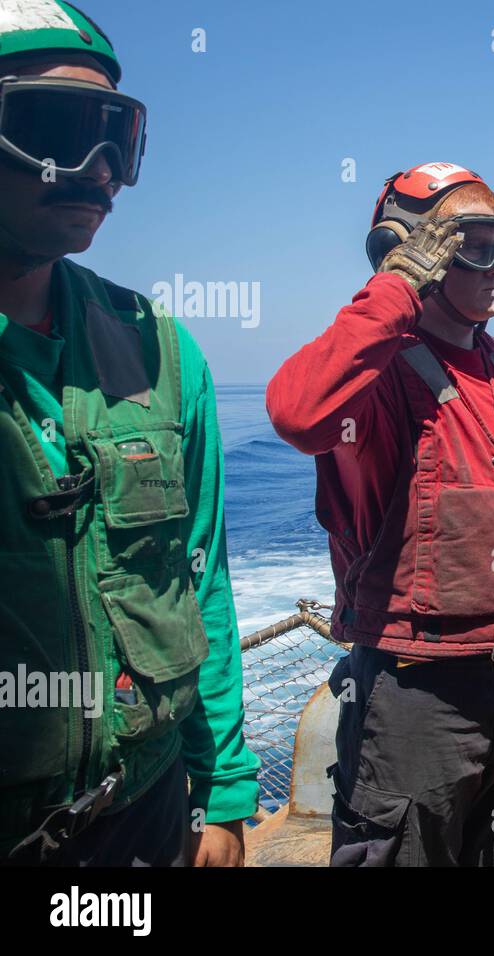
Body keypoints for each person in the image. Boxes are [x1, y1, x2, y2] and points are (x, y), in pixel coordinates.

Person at [0, 0, 258, 866]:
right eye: (60, 128)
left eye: (121, 135)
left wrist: (221, 788)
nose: (102, 170)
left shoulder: (156, 347)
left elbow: (198, 575)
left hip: (142, 814)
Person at [266, 162, 494, 866]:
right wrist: (394, 288)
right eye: (473, 243)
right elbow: (297, 409)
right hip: (418, 693)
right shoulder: (382, 377)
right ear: (407, 249)